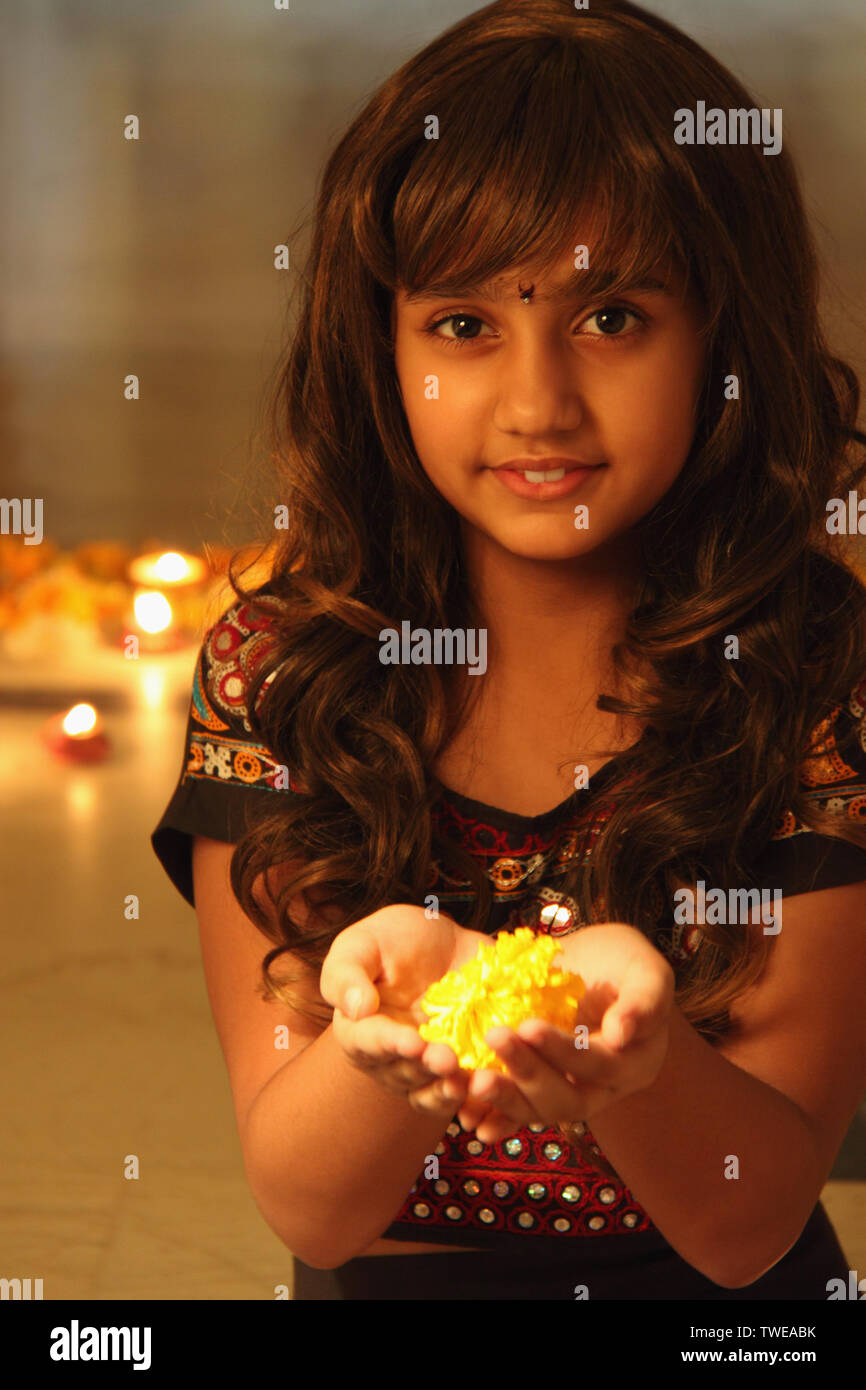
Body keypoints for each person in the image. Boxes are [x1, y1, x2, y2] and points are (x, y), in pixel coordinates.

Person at [151, 0, 866, 1299]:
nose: (537, 404)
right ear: (380, 346)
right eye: (464, 325)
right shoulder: (279, 673)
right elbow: (314, 1207)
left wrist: (637, 1063)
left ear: (722, 336)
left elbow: (743, 1225)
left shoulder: (819, 678)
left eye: (611, 317)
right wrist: (423, 1021)